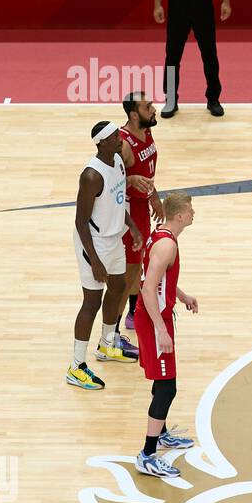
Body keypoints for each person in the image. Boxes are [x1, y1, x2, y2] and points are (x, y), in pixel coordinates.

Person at [67, 121, 142, 391]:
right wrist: (95, 260)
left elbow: (118, 201)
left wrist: (132, 227)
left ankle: (107, 344)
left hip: (114, 237)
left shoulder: (118, 161)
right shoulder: (91, 175)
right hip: (94, 243)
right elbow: (80, 221)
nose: (120, 139)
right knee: (91, 303)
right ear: (101, 143)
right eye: (114, 137)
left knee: (119, 286)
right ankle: (76, 367)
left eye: (118, 135)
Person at [133, 192, 199, 477]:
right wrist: (160, 329)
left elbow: (156, 279)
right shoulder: (166, 246)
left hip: (154, 314)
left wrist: (181, 295)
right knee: (167, 387)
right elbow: (147, 289)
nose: (193, 213)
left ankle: (160, 433)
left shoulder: (161, 236)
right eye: (190, 210)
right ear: (180, 216)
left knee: (162, 382)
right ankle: (147, 454)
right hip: (153, 319)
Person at [115, 92, 162, 332]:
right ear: (133, 115)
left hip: (142, 206)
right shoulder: (123, 144)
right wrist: (131, 179)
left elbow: (147, 169)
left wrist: (153, 194)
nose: (153, 109)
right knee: (131, 268)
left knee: (140, 262)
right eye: (147, 107)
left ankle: (135, 309)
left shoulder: (147, 129)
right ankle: (121, 320)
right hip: (128, 212)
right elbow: (106, 184)